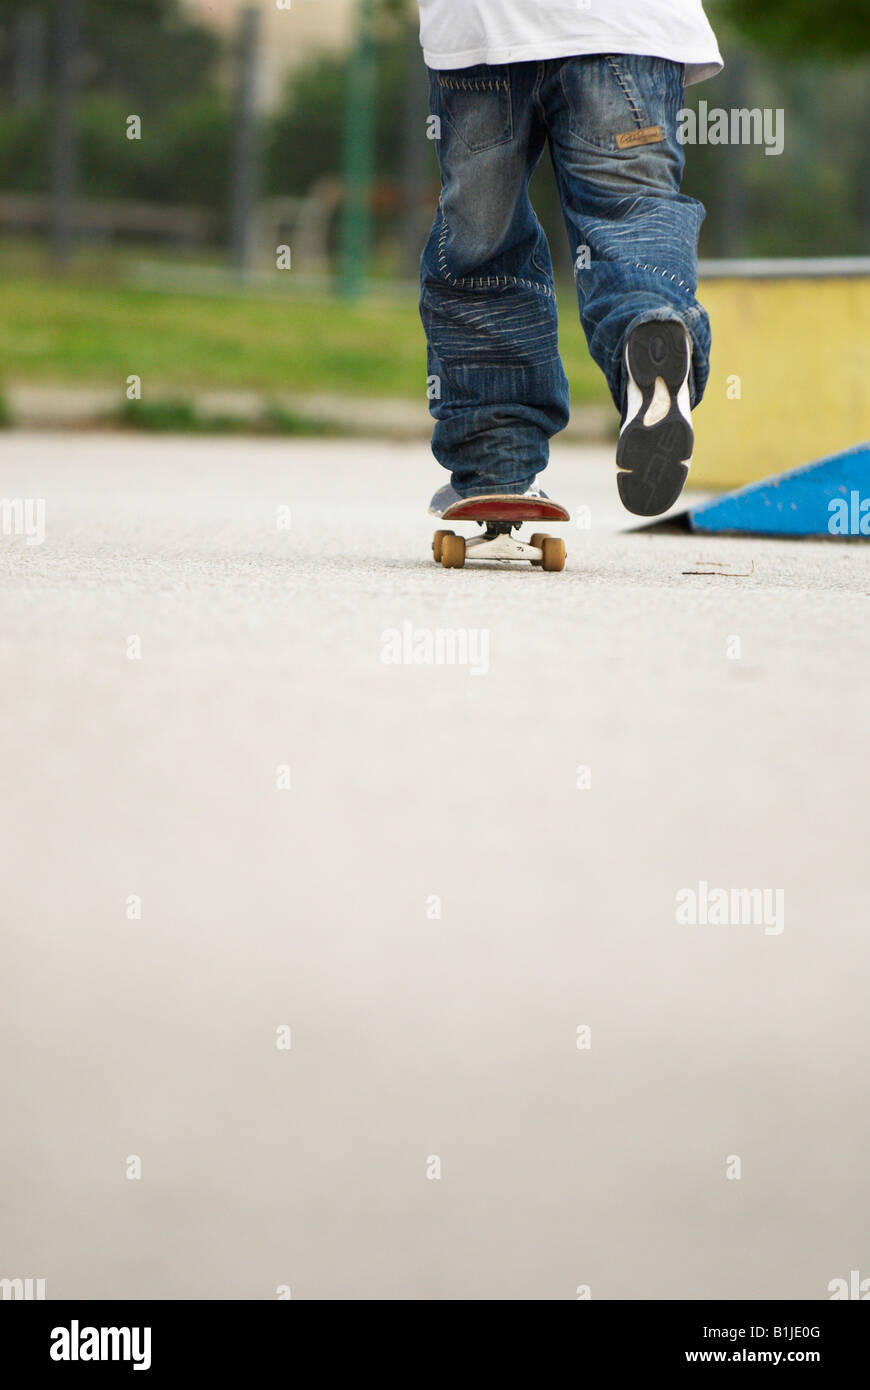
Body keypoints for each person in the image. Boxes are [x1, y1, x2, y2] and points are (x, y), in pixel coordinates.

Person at [418, 1, 723, 518]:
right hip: (629, 29)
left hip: (483, 32)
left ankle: (497, 460)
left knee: (484, 246)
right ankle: (646, 329)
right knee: (633, 214)